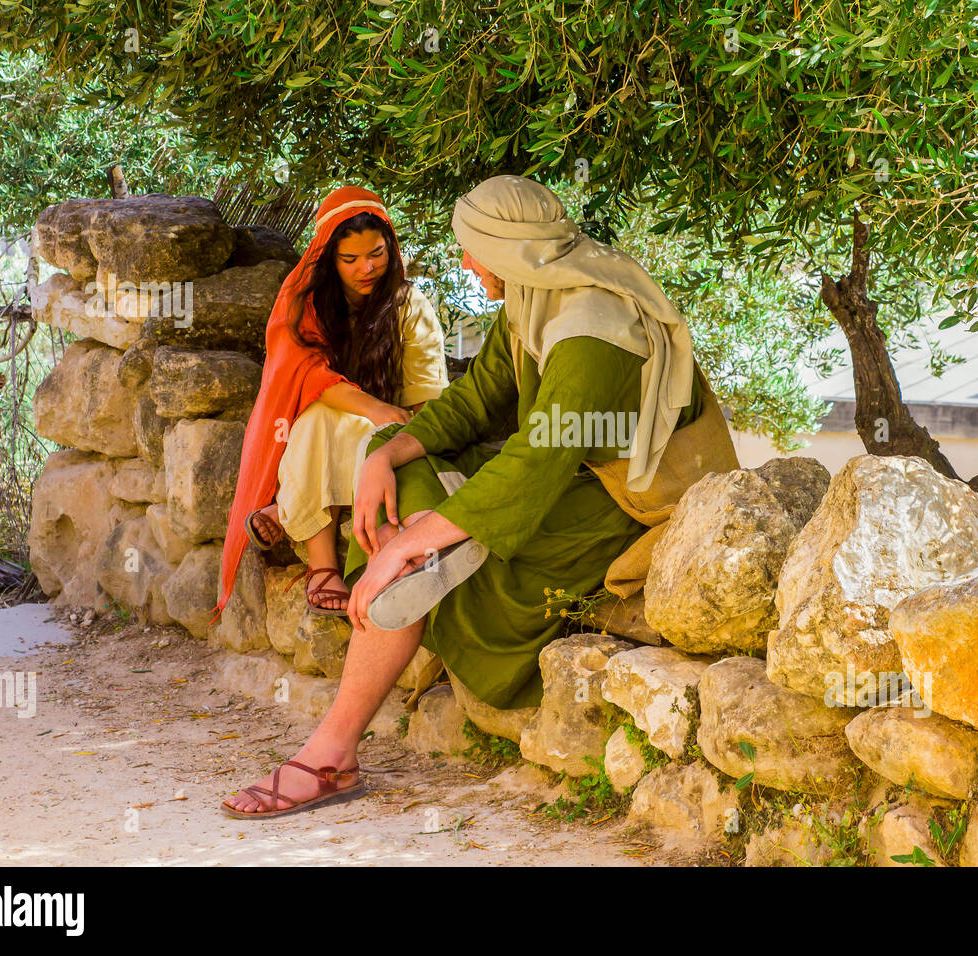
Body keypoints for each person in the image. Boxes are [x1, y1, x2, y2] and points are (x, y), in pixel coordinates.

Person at [221, 175, 738, 818]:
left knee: (444, 550)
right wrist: (385, 450)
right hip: (559, 472)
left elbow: (537, 462)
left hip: (627, 502)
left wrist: (407, 540)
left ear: (510, 246)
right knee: (407, 470)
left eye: (474, 249)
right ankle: (434, 559)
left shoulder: (592, 326)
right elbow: (475, 401)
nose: (466, 263)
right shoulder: (535, 295)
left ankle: (335, 746)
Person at [214, 186, 448, 619]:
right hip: (326, 421)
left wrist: (385, 418)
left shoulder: (410, 305)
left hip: (389, 429)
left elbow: (425, 400)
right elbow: (304, 375)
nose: (368, 267)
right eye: (351, 259)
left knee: (346, 429)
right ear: (328, 259)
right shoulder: (305, 300)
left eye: (377, 253)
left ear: (391, 246)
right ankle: (324, 567)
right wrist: (370, 406)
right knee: (320, 418)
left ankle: (288, 512)